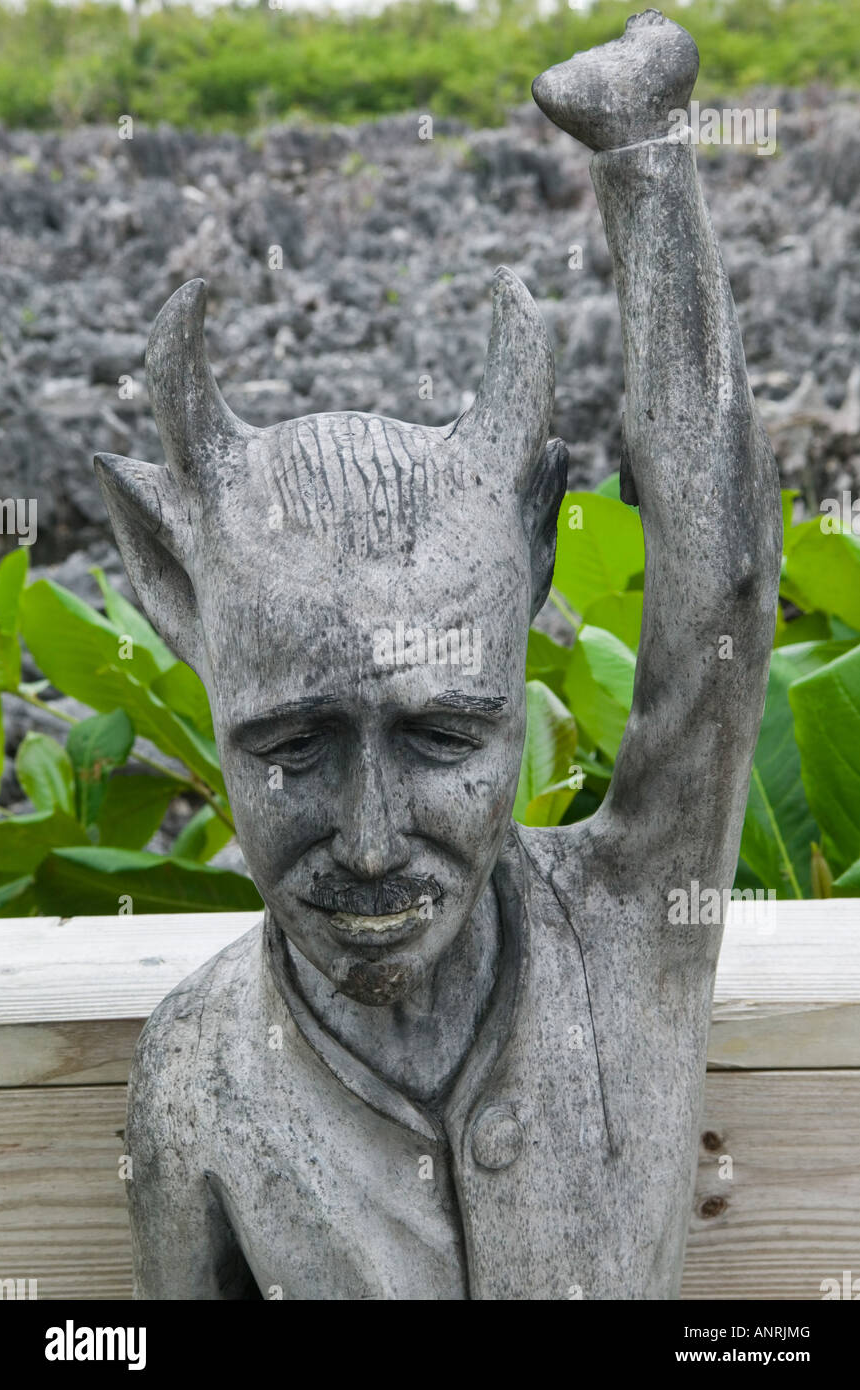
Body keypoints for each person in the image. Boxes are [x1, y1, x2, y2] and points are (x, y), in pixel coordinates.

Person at [97, 10, 780, 1299]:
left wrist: (649, 160)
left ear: (532, 567)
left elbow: (724, 591)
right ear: (173, 596)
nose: (366, 843)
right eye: (294, 745)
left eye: (445, 738)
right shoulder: (198, 1078)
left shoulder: (633, 923)